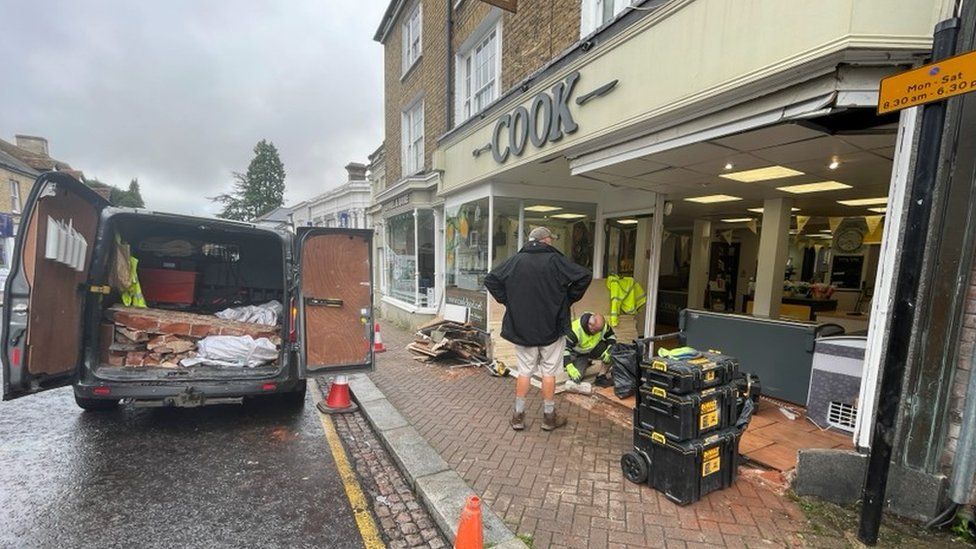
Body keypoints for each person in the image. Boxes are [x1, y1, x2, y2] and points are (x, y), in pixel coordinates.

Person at [485, 226, 592, 431]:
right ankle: (549, 418)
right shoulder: (555, 260)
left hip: (523, 328)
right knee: (549, 373)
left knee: (524, 372)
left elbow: (491, 279)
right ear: (546, 241)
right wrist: (568, 299)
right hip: (552, 328)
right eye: (551, 239)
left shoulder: (516, 261)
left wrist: (508, 300)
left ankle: (518, 416)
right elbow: (584, 275)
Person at [563, 312, 617, 385]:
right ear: (590, 325)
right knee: (577, 376)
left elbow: (611, 336)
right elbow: (565, 349)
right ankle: (582, 362)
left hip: (593, 348)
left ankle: (601, 376)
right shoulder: (574, 330)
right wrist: (569, 366)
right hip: (578, 353)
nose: (597, 333)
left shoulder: (602, 327)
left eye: (599, 331)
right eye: (595, 331)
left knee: (613, 353)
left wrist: (610, 348)